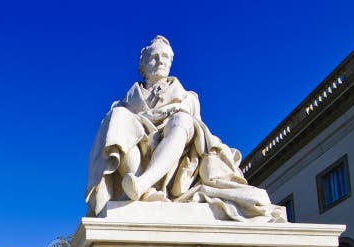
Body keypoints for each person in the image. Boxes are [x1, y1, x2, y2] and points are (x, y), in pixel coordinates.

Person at [86, 36, 285, 222]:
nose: (160, 61)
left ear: (171, 62)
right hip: (136, 152)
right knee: (118, 117)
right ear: (142, 65)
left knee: (183, 119)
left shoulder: (188, 97)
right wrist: (147, 117)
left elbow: (200, 135)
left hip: (175, 153)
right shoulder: (123, 104)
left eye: (164, 57)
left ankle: (142, 184)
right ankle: (142, 190)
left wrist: (170, 114)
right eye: (153, 57)